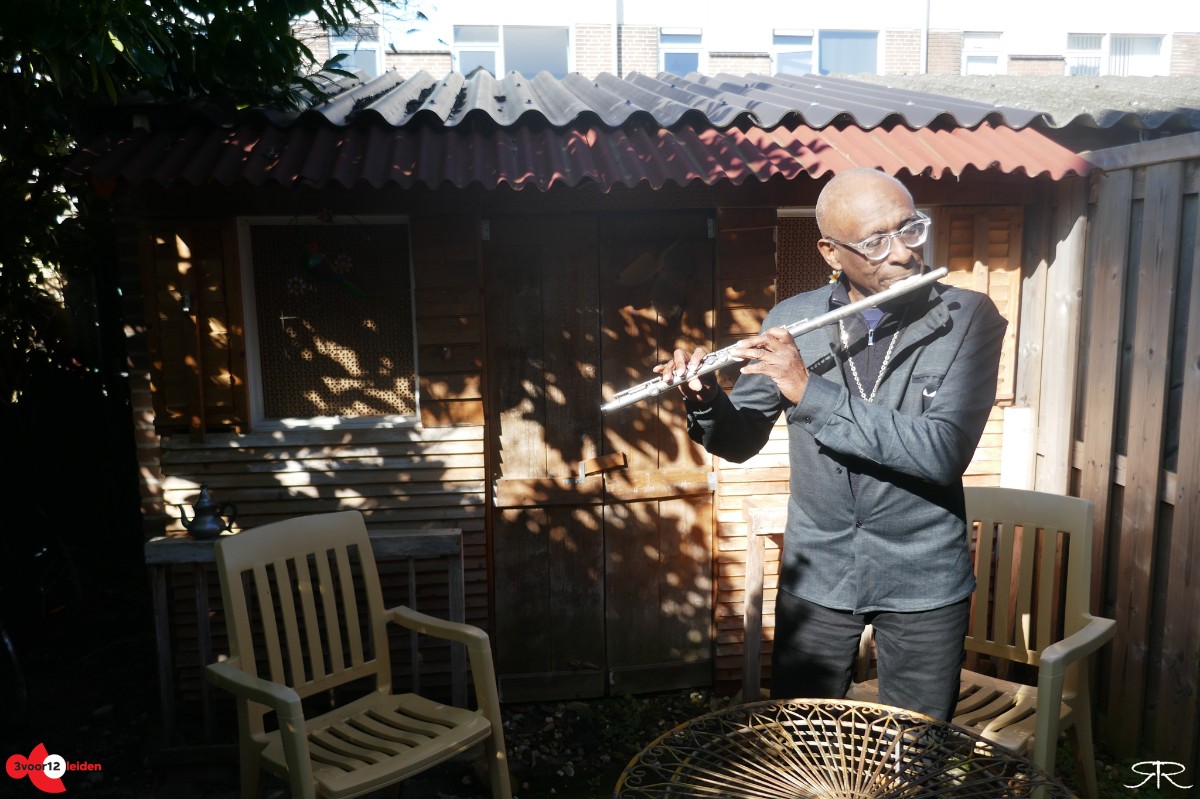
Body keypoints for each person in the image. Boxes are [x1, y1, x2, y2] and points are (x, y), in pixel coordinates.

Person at [658, 168, 1007, 720]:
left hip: (922, 578)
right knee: (805, 737)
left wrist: (809, 391)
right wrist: (704, 400)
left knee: (910, 752)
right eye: (874, 242)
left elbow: (943, 451)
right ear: (830, 252)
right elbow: (742, 439)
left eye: (910, 229)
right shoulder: (792, 319)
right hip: (817, 573)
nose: (902, 254)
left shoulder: (967, 317)